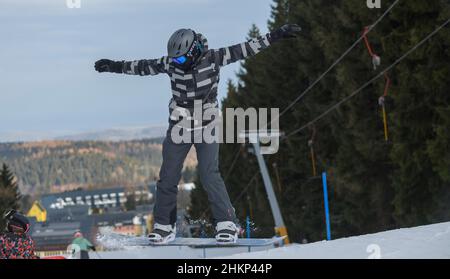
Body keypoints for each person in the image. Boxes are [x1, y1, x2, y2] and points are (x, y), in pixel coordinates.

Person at [94, 24, 301, 244]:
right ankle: (164, 226)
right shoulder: (170, 63)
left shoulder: (214, 58)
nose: (177, 63)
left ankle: (227, 224)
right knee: (168, 176)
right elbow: (142, 67)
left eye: (181, 60)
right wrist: (113, 66)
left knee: (208, 173)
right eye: (174, 60)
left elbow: (247, 48)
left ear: (193, 51)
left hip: (207, 125)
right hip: (179, 125)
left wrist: (276, 35)